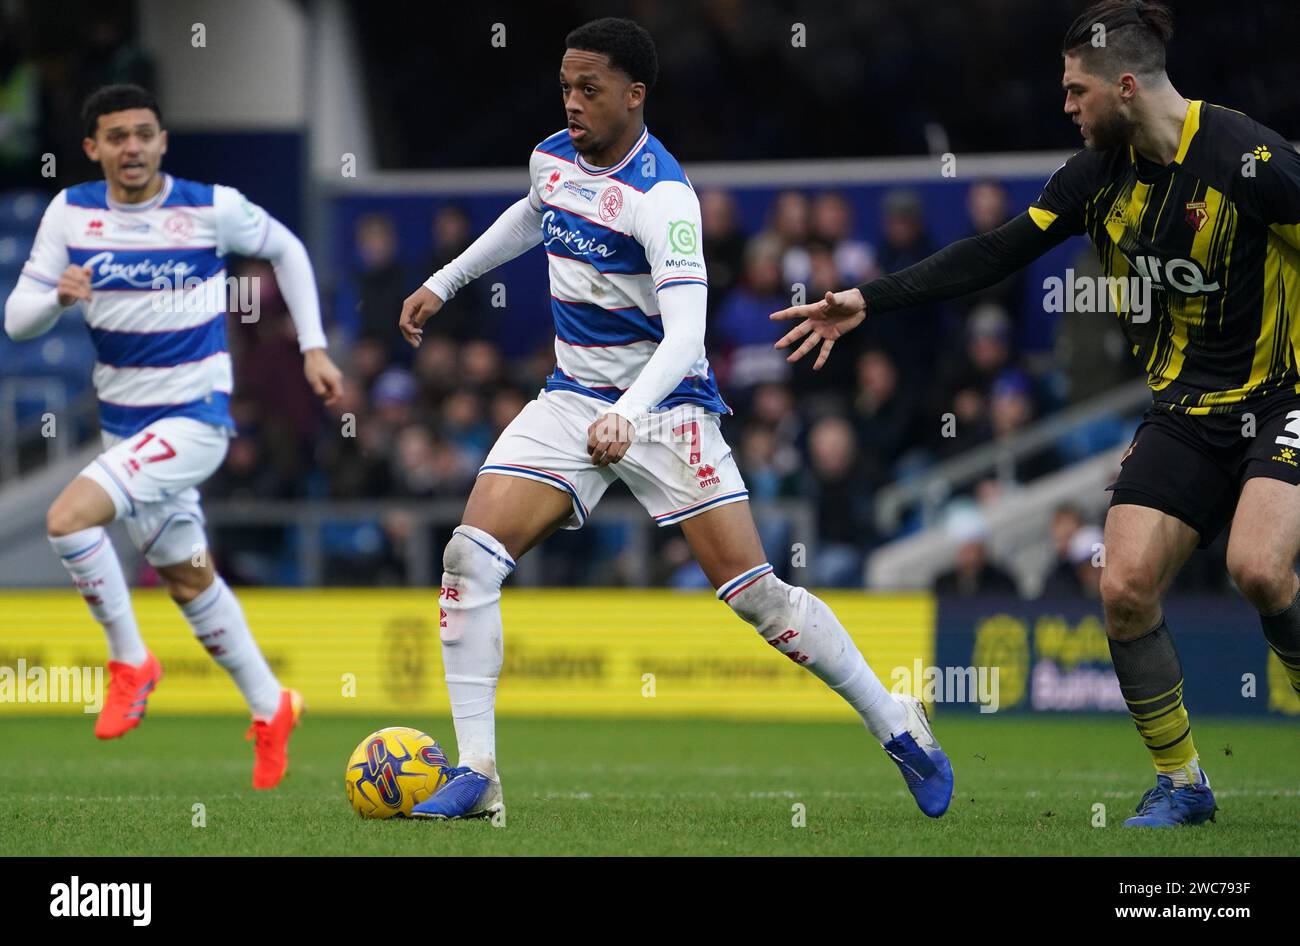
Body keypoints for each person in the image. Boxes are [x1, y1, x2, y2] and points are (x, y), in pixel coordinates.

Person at [397, 18, 952, 821]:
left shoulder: (665, 198)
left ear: (634, 94)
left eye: (589, 89)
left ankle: (895, 719)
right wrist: (445, 281)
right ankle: (478, 774)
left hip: (665, 409)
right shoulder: (551, 157)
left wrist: (629, 415)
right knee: (468, 560)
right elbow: (534, 211)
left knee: (756, 597)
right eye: (565, 86)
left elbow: (688, 335)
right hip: (572, 397)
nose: (572, 102)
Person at [771, 0, 1300, 827]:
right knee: (1123, 586)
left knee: (1260, 570)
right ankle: (1185, 785)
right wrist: (869, 300)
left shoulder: (1251, 160)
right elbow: (995, 252)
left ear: (1126, 87)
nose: (1066, 105)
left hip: (1282, 395)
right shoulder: (1094, 177)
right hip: (1185, 410)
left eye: (1076, 90)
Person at [3, 84, 343, 789]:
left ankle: (130, 662)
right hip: (124, 429)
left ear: (162, 141)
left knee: (67, 520)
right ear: (93, 147)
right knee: (189, 578)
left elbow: (287, 248)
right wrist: (58, 297)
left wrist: (313, 347)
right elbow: (17, 320)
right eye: (117, 136)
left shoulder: (209, 208)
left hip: (194, 418)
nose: (132, 147)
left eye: (143, 134)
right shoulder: (71, 212)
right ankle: (271, 704)